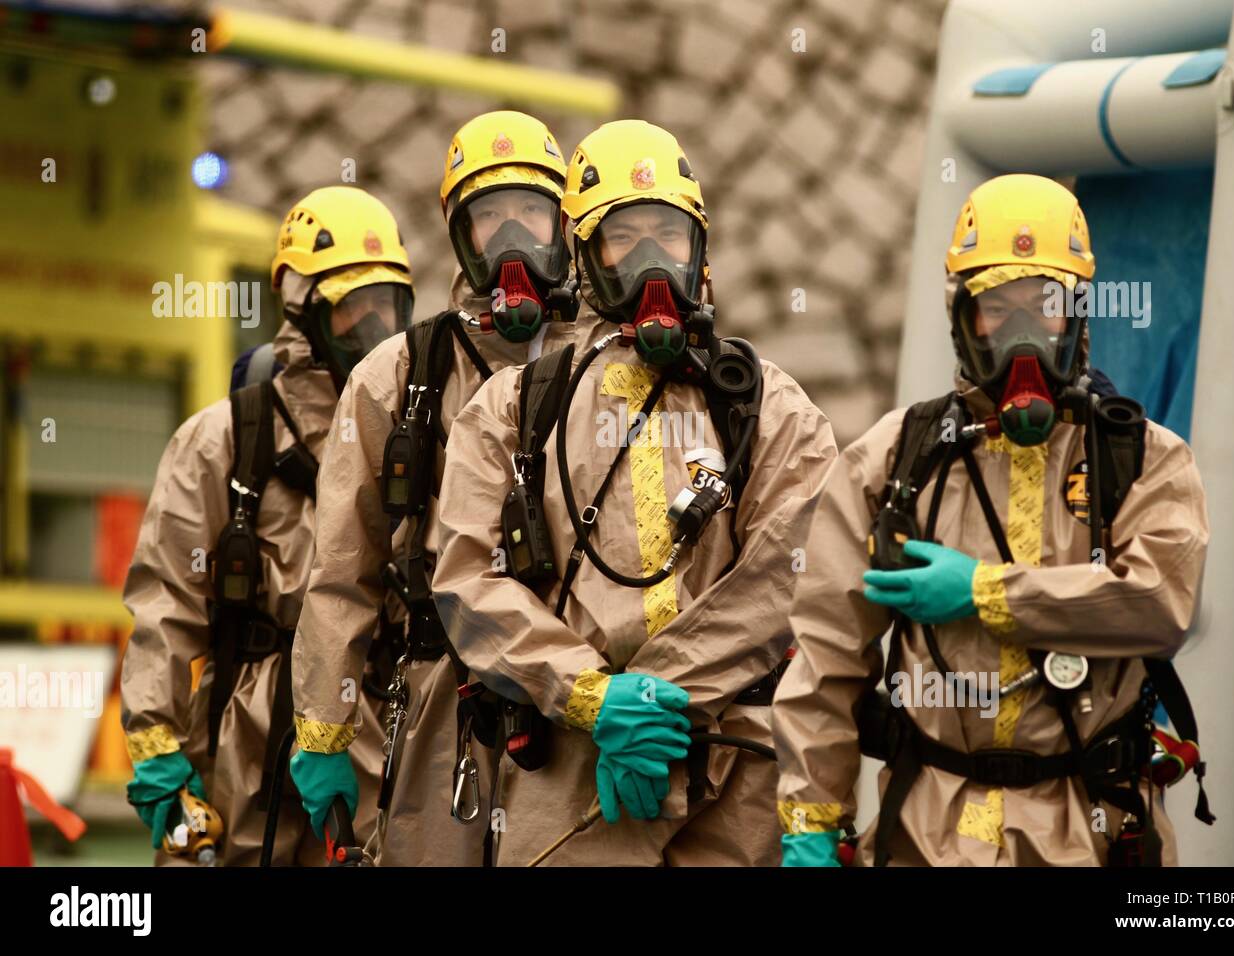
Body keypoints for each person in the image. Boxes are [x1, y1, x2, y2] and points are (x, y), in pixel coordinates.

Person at [430, 119, 838, 866]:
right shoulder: (512, 409)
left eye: (669, 235)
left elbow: (794, 573)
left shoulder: (765, 407)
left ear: (700, 249)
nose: (654, 262)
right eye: (626, 239)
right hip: (571, 768)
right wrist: (591, 696)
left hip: (737, 767)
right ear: (584, 255)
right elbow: (465, 582)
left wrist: (653, 691)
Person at [773, 173, 1211, 867]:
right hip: (926, 828)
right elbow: (828, 658)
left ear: (1079, 314)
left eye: (1045, 306)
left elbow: (1159, 604)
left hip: (1091, 830)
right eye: (996, 309)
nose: (1024, 335)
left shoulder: (1144, 460)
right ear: (961, 317)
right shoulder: (895, 461)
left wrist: (984, 593)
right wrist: (811, 821)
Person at [287, 111, 605, 865]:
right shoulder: (395, 376)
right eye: (489, 217)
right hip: (439, 698)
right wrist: (323, 730)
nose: (513, 239)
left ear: (564, 229)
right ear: (459, 236)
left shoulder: (610, 373)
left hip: (579, 699)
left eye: (531, 213)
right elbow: (341, 573)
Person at [121, 186, 412, 865]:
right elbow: (164, 602)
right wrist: (158, 749)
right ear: (301, 306)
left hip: (366, 721)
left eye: (387, 308)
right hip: (240, 730)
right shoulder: (221, 441)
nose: (374, 328)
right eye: (352, 309)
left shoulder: (409, 439)